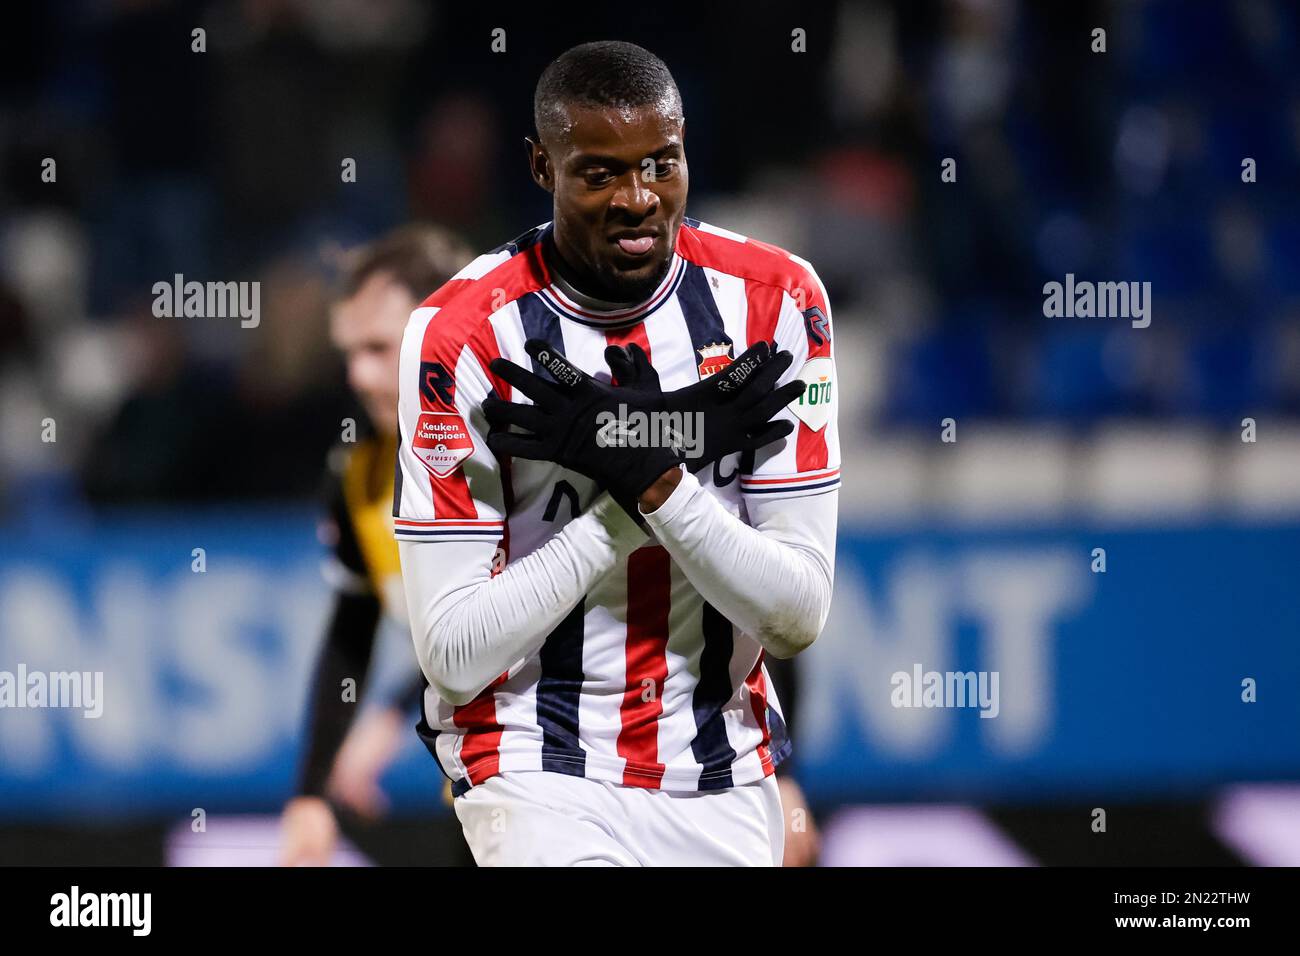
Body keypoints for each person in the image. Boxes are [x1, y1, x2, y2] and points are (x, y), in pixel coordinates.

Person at [395, 41, 839, 866]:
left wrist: (649, 476)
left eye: (660, 165)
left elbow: (798, 614)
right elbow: (453, 658)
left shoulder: (778, 303)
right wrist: (642, 485)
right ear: (540, 166)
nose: (638, 199)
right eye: (599, 174)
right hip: (531, 757)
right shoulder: (462, 336)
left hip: (720, 765)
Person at [280, 225, 472, 867]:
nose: (359, 375)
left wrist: (394, 714)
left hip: (598, 784)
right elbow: (351, 627)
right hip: (477, 788)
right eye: (348, 352)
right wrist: (310, 793)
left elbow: (524, 623)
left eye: (378, 348)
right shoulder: (359, 478)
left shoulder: (522, 454)